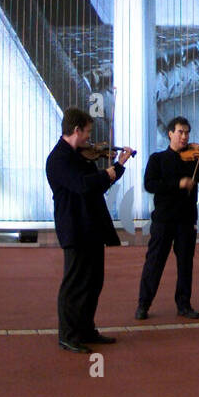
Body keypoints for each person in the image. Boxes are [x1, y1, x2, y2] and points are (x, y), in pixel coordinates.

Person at [45, 107, 132, 354]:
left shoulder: (80, 155)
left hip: (91, 226)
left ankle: (86, 329)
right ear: (76, 130)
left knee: (93, 282)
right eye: (87, 132)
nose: (90, 139)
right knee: (75, 284)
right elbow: (83, 185)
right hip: (74, 227)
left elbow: (98, 186)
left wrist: (119, 166)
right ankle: (68, 335)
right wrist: (109, 171)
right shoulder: (59, 159)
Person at [136, 117, 199, 320]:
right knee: (154, 262)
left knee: (185, 264)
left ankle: (184, 305)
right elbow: (150, 185)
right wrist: (178, 184)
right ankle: (143, 304)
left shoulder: (196, 160)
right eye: (180, 132)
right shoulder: (157, 159)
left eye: (187, 132)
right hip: (163, 220)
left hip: (186, 221)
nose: (184, 136)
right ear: (170, 133)